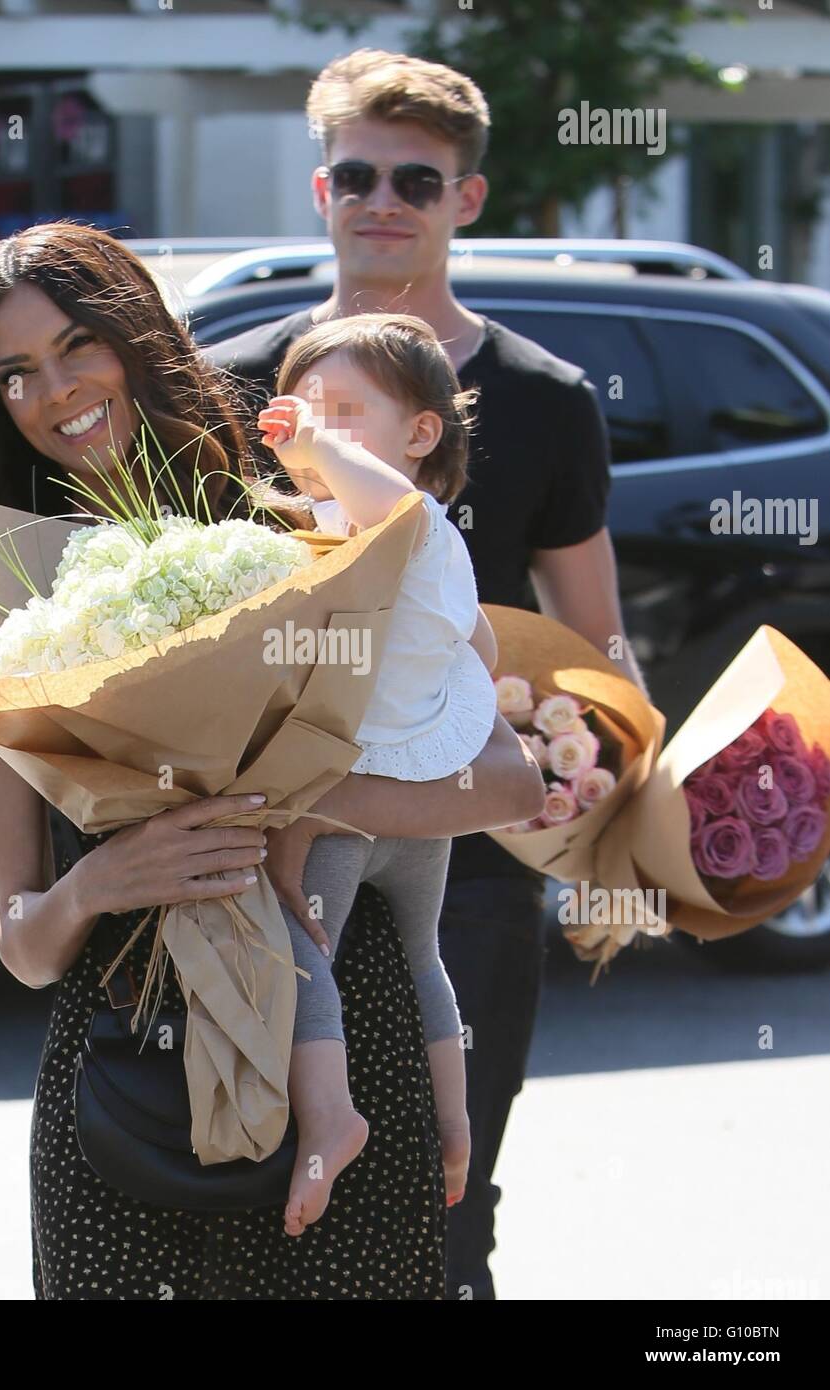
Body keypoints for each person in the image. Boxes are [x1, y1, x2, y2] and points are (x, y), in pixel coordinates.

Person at [0, 220, 541, 1300]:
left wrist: (297, 793)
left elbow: (509, 782)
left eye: (77, 346)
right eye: (16, 373)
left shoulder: (296, 529)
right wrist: (99, 880)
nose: (54, 391)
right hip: (126, 1070)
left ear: (136, 338)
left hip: (345, 1041)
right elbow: (21, 939)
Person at [206, 49, 648, 1299]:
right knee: (259, 1208)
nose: (381, 198)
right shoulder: (237, 382)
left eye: (416, 176)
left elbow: (592, 643)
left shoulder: (546, 400)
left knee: (445, 1208)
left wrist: (612, 785)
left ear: (468, 197)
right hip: (266, 843)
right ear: (318, 188)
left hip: (465, 849)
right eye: (355, 172)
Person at [255, 312, 533, 1237]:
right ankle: (452, 1129)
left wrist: (320, 446)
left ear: (420, 436)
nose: (317, 430)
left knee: (296, 939)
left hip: (348, 791)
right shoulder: (396, 535)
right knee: (422, 959)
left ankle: (330, 1116)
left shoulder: (403, 522)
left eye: (347, 414)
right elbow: (478, 642)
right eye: (306, 408)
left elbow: (385, 507)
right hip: (420, 791)